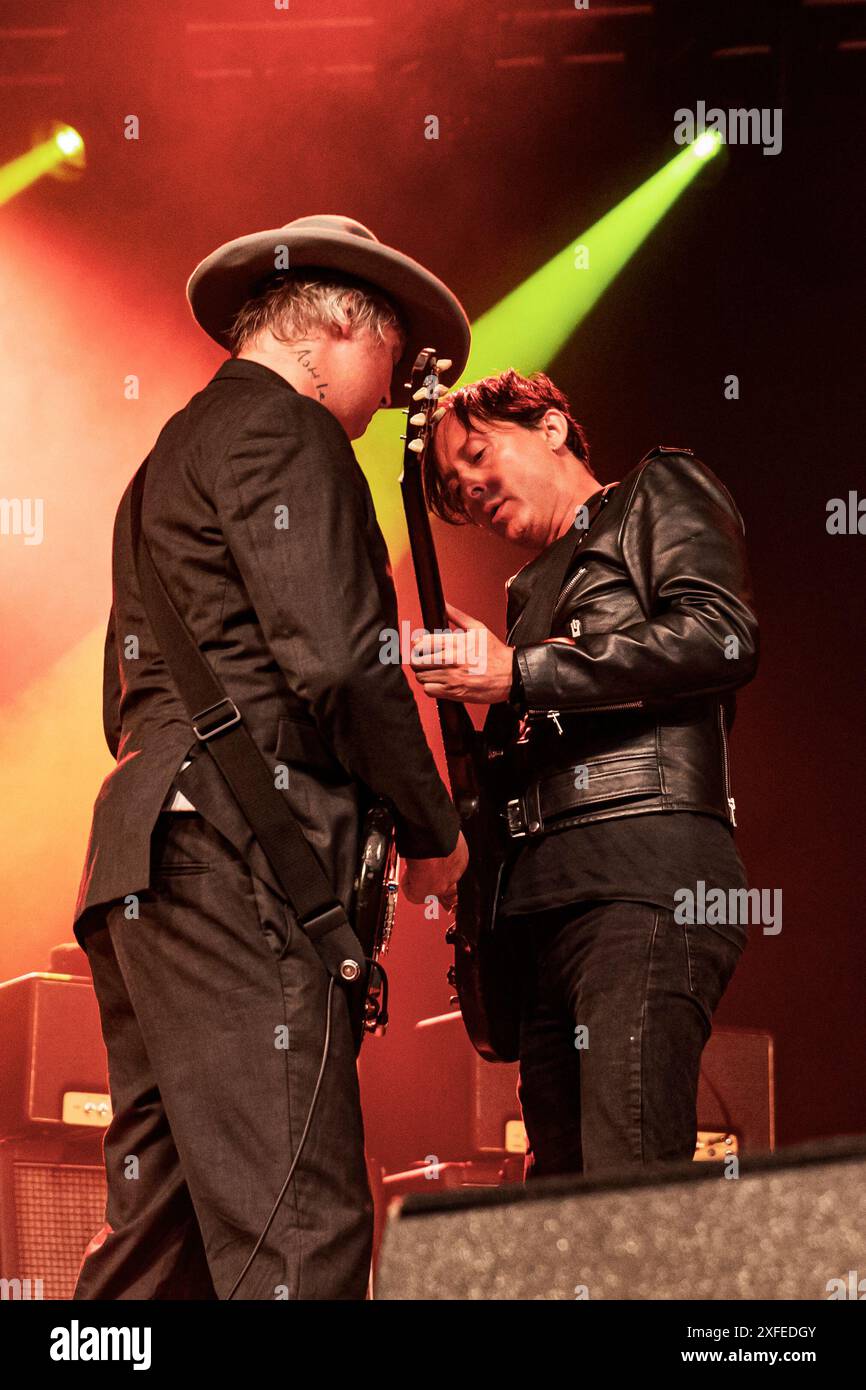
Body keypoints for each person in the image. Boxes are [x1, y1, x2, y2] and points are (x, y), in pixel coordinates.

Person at [72, 214, 469, 1299]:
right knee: (302, 1235)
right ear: (338, 325)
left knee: (156, 1247)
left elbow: (128, 694)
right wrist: (433, 831)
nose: (392, 392)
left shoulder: (163, 462)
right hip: (235, 866)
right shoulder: (290, 434)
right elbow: (343, 666)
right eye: (390, 357)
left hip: (144, 865)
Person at [411, 367, 759, 1178]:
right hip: (542, 908)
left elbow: (721, 636)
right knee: (564, 1204)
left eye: (476, 456)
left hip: (643, 879)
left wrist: (520, 674)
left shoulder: (657, 490)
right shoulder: (526, 592)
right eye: (455, 494)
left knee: (626, 1181)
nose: (469, 491)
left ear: (552, 428)